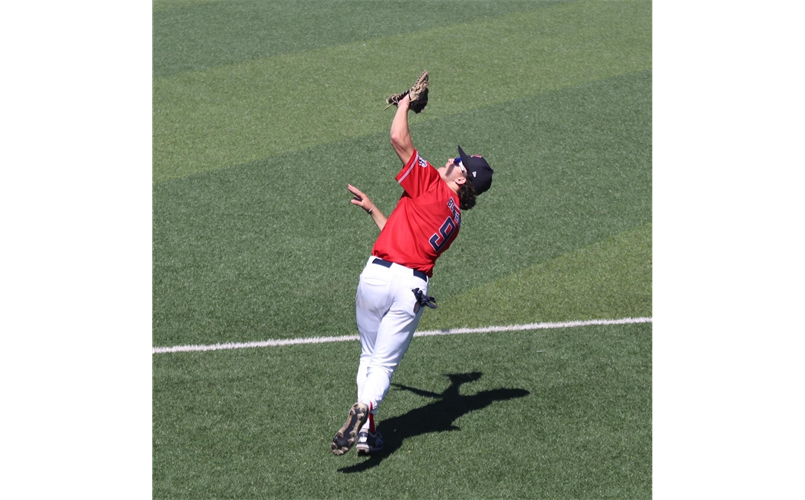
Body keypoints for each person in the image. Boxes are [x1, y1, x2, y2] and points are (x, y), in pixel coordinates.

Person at [331, 94, 494, 456]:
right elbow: (407, 245)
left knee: (369, 357)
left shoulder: (433, 186)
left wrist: (403, 104)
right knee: (384, 367)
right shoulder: (454, 221)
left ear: (462, 177)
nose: (450, 159)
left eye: (458, 162)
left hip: (374, 278)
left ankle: (365, 427)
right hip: (409, 289)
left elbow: (399, 140)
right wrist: (375, 210)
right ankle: (364, 414)